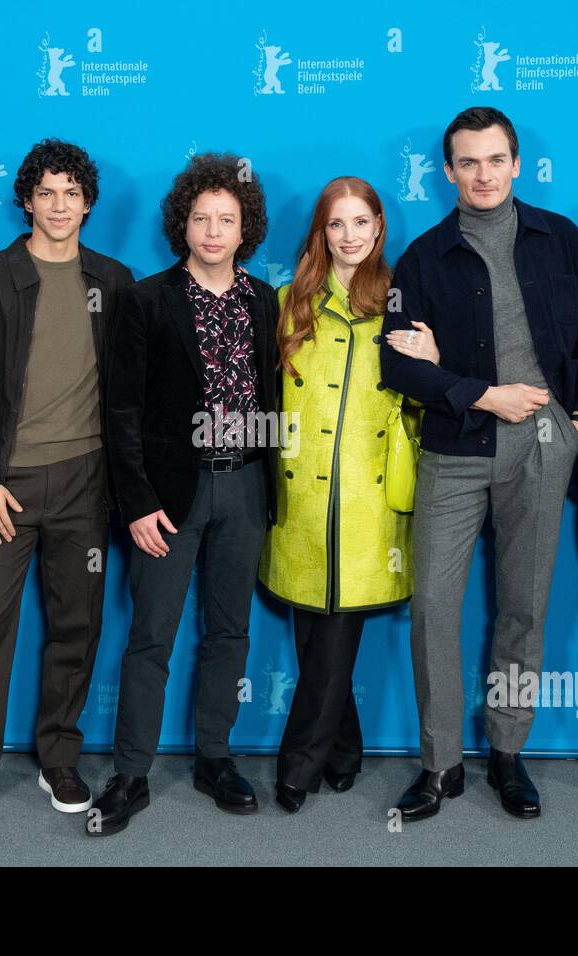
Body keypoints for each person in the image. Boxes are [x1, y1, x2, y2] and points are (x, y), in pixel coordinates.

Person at [380, 106, 578, 821]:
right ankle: (439, 764)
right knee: (433, 609)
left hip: (544, 448)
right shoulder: (423, 257)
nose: (483, 175)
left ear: (517, 164)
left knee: (524, 609)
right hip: (455, 449)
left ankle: (508, 752)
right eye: (468, 162)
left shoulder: (562, 240)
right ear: (448, 171)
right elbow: (397, 365)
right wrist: (481, 394)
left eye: (496, 159)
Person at [0, 139, 134, 838]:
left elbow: (130, 394)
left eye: (71, 193)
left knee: (77, 624)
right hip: (3, 490)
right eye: (46, 193)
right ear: (26, 200)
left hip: (86, 483)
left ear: (88, 203)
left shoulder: (114, 281)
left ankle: (60, 758)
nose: (59, 205)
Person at [90, 153, 279, 836]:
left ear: (244, 228)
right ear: (183, 225)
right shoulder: (146, 300)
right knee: (151, 636)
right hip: (171, 495)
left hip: (246, 485)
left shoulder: (265, 300)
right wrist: (138, 502)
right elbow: (121, 412)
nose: (213, 231)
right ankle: (130, 773)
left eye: (226, 219)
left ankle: (215, 758)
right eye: (202, 218)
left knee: (230, 630)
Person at [258, 176, 410, 813]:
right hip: (298, 500)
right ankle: (344, 750)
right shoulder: (286, 300)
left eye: (361, 222)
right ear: (321, 232)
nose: (350, 236)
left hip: (366, 501)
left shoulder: (403, 302)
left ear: (379, 227)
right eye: (336, 224)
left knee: (334, 634)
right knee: (313, 638)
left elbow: (425, 399)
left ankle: (298, 766)